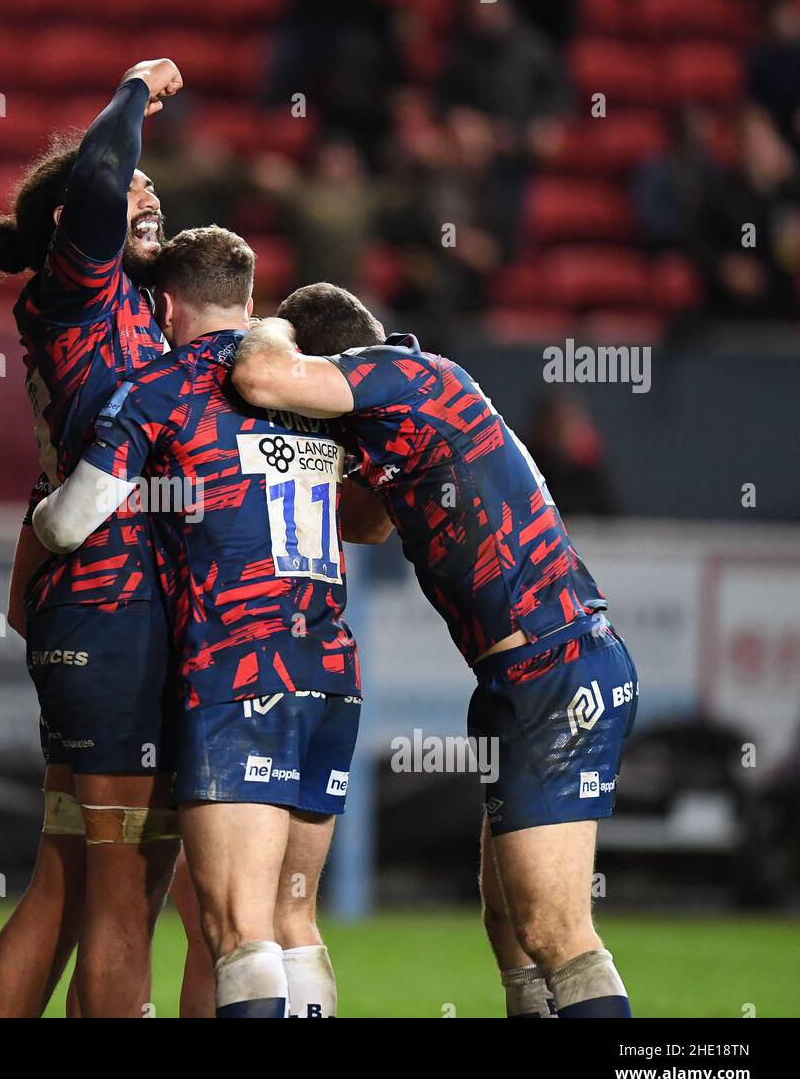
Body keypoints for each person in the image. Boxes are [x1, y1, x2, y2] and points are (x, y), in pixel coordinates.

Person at [232, 282, 640, 1018]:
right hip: (525, 674)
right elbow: (364, 523)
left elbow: (260, 375)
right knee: (511, 925)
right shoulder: (409, 413)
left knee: (555, 930)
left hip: (554, 667)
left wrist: (264, 333)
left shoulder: (404, 373)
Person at [32, 227, 386, 1018]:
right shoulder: (305, 387)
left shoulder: (160, 388)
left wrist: (46, 491)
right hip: (330, 675)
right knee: (295, 919)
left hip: (239, 675)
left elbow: (70, 523)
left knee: (238, 933)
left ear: (163, 305)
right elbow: (372, 521)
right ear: (251, 302)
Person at [0, 58, 214, 1018]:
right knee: (123, 894)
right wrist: (130, 92)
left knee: (71, 882)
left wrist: (27, 567)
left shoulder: (122, 313)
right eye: (134, 198)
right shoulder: (79, 288)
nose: (145, 200)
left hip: (96, 601)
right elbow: (109, 178)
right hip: (114, 611)